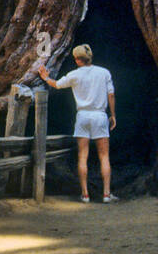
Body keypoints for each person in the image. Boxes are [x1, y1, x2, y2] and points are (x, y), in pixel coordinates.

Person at [37, 44, 119, 202]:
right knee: (104, 157)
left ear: (77, 60)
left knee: (82, 157)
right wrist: (113, 115)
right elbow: (111, 95)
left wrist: (45, 77)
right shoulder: (104, 73)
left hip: (82, 117)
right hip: (100, 116)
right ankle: (107, 194)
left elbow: (57, 85)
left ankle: (85, 194)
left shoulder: (74, 75)